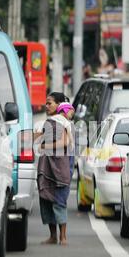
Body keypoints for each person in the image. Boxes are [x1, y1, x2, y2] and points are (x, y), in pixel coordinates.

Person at [37, 92, 73, 246]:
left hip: (59, 167)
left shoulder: (61, 122)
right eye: (46, 103)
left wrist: (45, 146)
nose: (47, 106)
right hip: (47, 166)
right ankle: (53, 236)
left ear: (59, 105)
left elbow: (64, 143)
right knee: (46, 200)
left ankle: (62, 236)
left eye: (50, 103)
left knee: (59, 201)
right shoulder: (51, 122)